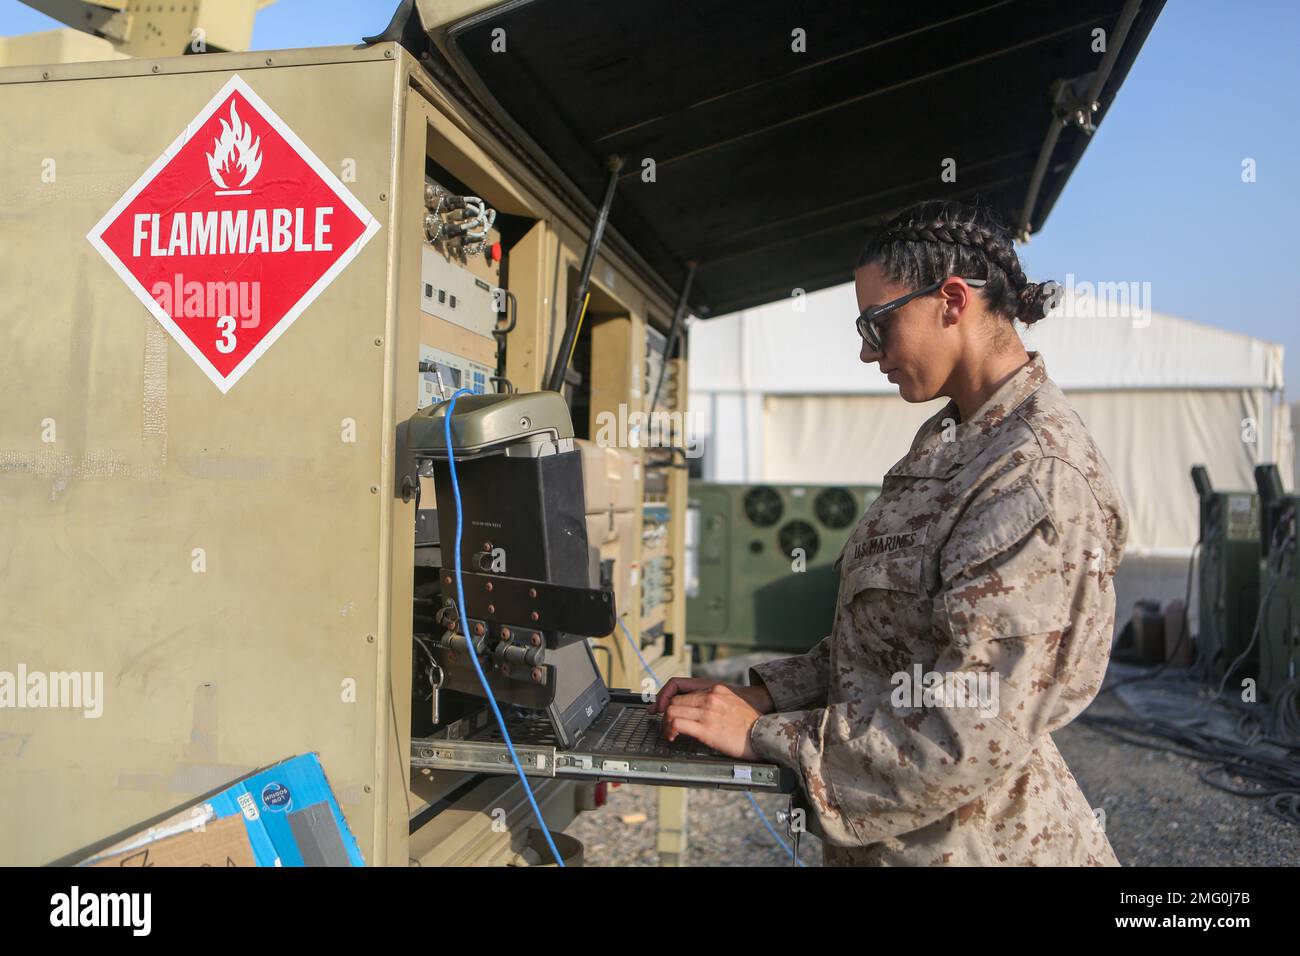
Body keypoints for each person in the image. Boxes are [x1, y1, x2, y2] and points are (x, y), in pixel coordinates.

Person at [652, 199, 1128, 866]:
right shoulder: (953, 440)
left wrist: (766, 735)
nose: (866, 351)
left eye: (878, 324)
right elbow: (890, 644)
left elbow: (966, 729)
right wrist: (765, 694)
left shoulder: (1036, 477)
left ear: (952, 301)